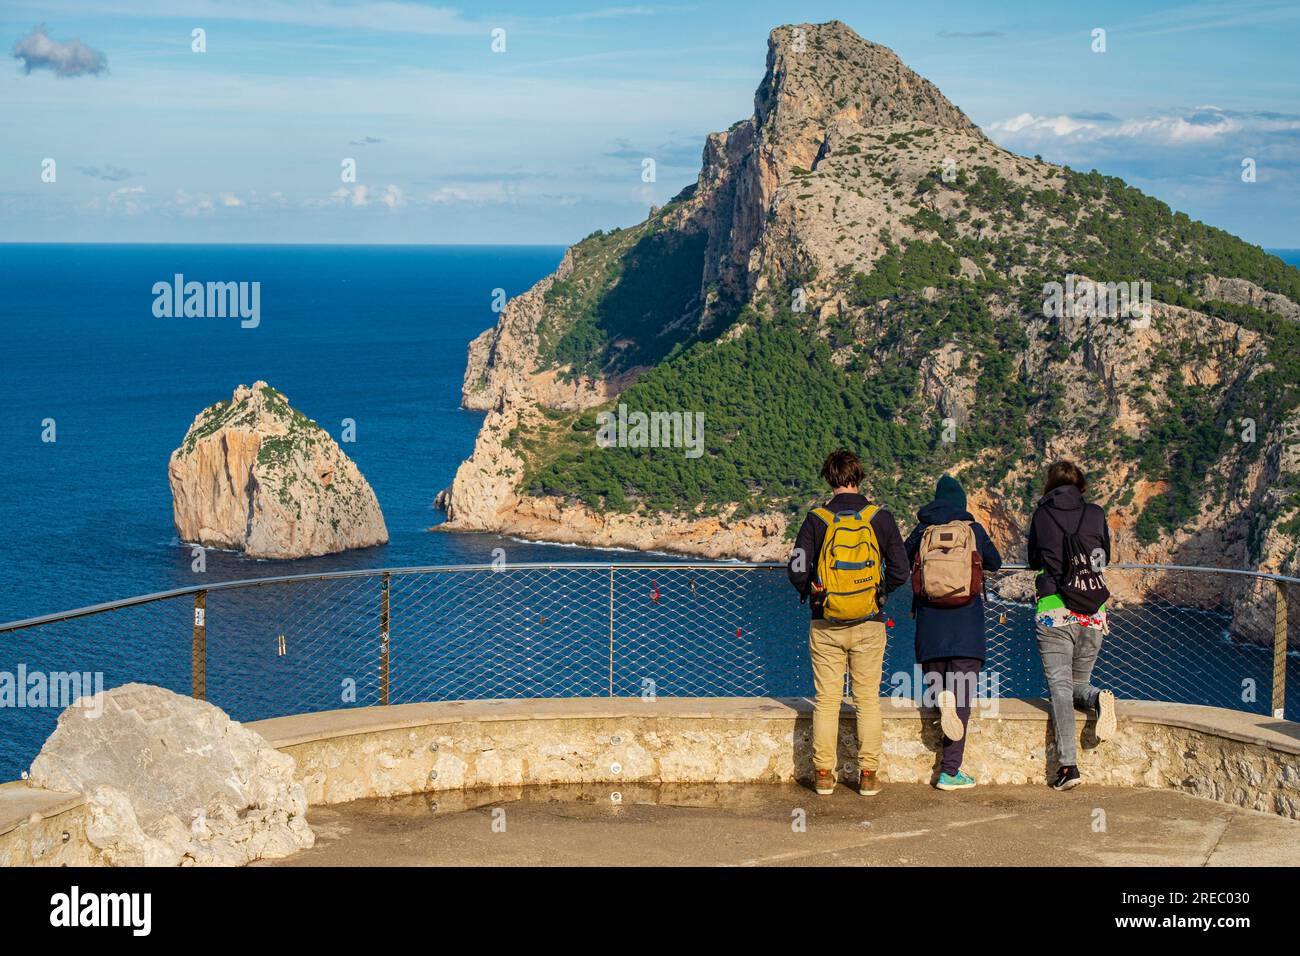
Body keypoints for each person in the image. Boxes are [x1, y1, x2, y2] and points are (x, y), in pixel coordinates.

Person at [787, 449, 908, 796]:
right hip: (870, 622)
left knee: (827, 700)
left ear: (830, 478)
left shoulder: (817, 519)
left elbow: (796, 567)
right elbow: (900, 569)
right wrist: (879, 594)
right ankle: (868, 775)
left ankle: (824, 774)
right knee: (867, 700)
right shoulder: (879, 518)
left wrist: (812, 592)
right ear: (859, 476)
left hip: (826, 622)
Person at [904, 475, 1002, 791]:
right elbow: (996, 563)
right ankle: (950, 770)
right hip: (966, 627)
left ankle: (942, 701)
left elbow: (901, 559)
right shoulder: (971, 529)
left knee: (941, 690)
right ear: (960, 503)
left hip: (930, 627)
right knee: (961, 700)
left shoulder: (922, 531)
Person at [1028, 460, 1118, 791]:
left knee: (1061, 688)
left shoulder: (1042, 515)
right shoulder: (1094, 513)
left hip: (1055, 609)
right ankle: (1097, 698)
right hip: (1094, 610)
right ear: (1081, 485)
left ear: (1049, 486)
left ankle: (1069, 767)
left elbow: (1034, 559)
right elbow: (1102, 557)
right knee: (1080, 683)